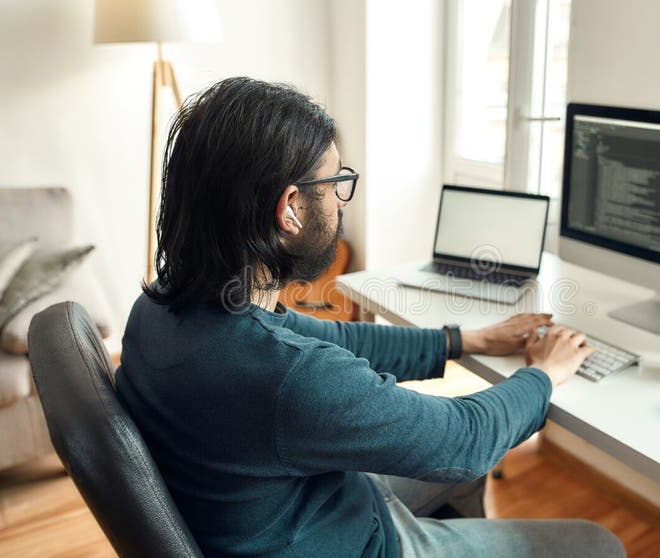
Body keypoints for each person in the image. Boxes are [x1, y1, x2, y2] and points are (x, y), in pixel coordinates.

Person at [116, 76, 626, 558]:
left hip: (294, 510)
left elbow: (326, 335)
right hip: (361, 541)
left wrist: (463, 340)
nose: (341, 203)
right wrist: (545, 372)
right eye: (336, 183)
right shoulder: (288, 378)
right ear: (290, 208)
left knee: (454, 472)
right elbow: (462, 439)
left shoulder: (162, 306)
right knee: (597, 543)